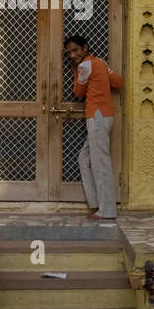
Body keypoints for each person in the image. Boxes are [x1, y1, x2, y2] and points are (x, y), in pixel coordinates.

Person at [64, 34, 123, 220]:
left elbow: (78, 92)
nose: (72, 55)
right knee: (84, 158)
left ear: (85, 48)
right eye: (69, 53)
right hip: (105, 116)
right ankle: (96, 204)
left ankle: (107, 211)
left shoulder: (83, 67)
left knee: (100, 163)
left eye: (75, 50)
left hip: (96, 116)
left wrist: (75, 72)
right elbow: (118, 83)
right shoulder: (101, 62)